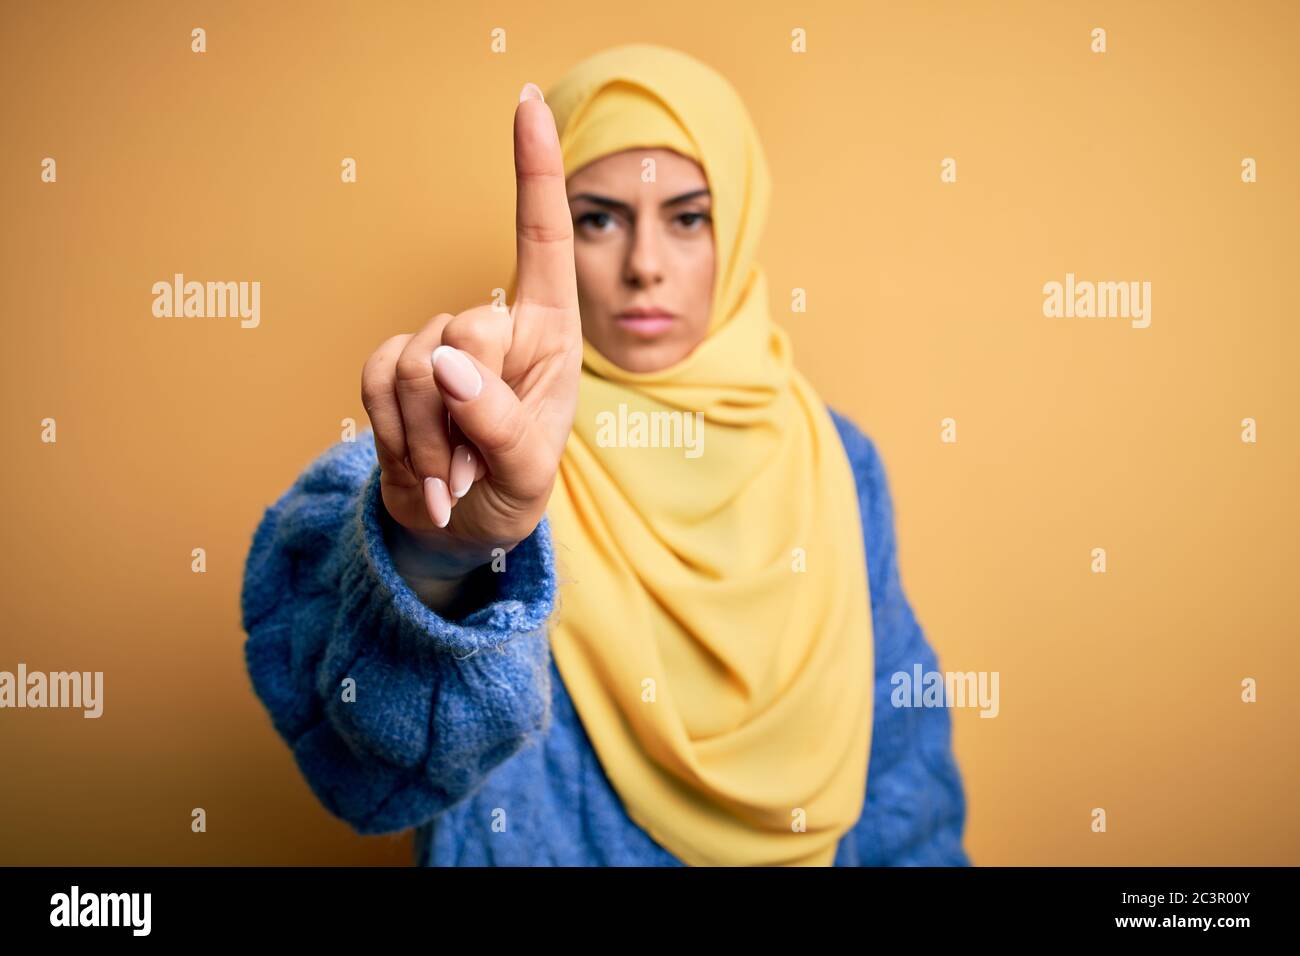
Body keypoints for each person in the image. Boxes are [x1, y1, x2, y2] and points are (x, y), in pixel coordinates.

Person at [241, 43, 970, 866]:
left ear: (738, 223)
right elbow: (369, 771)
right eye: (598, 219)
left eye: (688, 217)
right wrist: (442, 558)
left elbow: (902, 778)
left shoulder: (837, 460)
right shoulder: (473, 441)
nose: (645, 267)